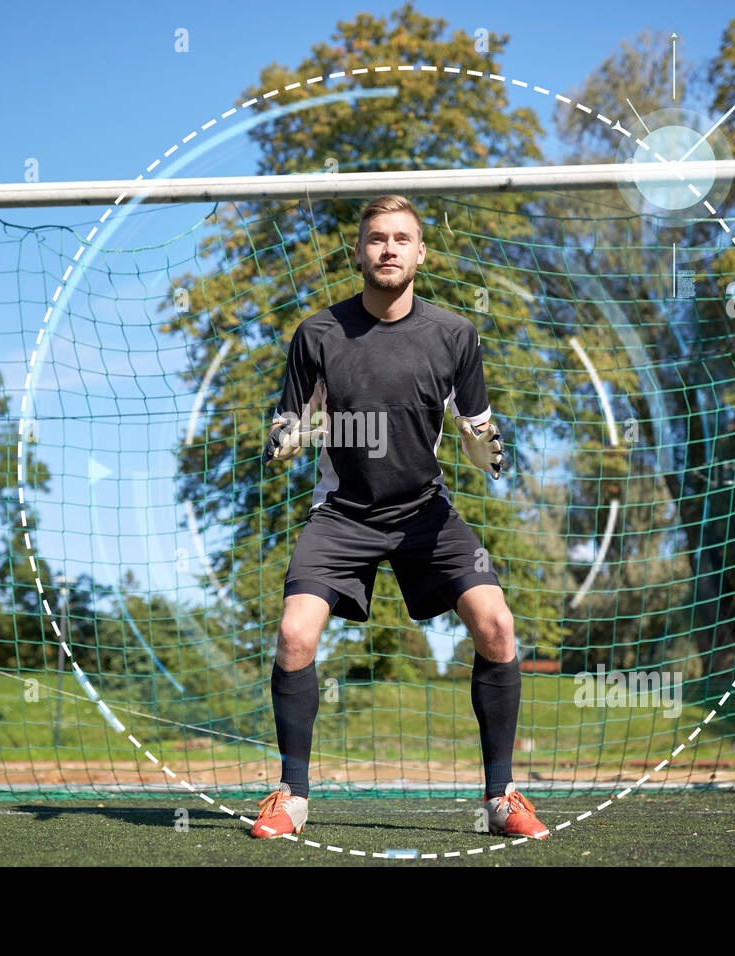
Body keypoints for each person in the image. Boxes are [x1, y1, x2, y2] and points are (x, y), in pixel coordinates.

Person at [252, 194, 548, 840]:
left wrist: (482, 442)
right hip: (342, 515)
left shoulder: (454, 335)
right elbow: (292, 419)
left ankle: (503, 797)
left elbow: (476, 426)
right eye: (377, 238)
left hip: (426, 513)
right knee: (295, 635)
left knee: (497, 625)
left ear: (420, 253)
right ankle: (291, 796)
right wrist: (286, 435)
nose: (388, 248)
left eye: (401, 239)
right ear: (358, 252)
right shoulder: (318, 334)